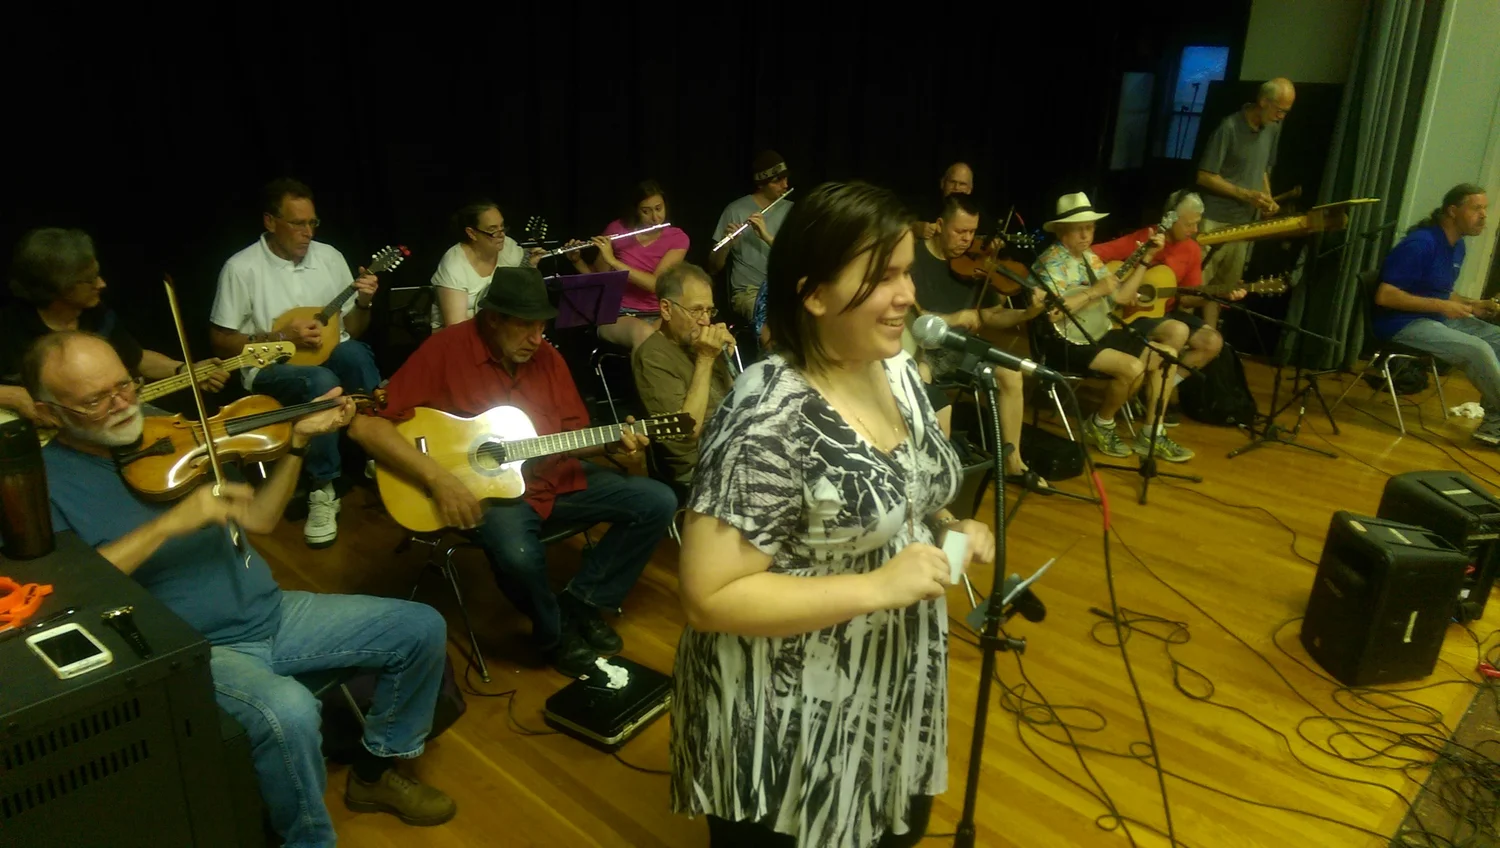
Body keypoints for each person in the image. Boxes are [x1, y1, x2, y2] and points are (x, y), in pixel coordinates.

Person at [26, 330, 455, 847]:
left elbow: (264, 519)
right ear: (50, 413)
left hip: (272, 612)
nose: (124, 404)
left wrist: (297, 441)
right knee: (289, 711)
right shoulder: (41, 485)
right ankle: (309, 841)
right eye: (96, 400)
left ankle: (374, 771)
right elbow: (65, 591)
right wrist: (165, 525)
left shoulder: (173, 434)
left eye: (126, 384)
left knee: (421, 627)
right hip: (200, 647)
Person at [671, 181, 997, 848]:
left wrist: (947, 528)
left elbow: (898, 494)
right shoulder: (768, 414)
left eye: (906, 270)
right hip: (786, 719)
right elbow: (709, 596)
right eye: (882, 276)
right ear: (814, 294)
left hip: (887, 689)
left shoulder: (898, 368)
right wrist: (878, 587)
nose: (907, 294)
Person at [350, 266, 677, 678]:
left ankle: (582, 602)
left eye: (541, 326)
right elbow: (365, 425)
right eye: (524, 327)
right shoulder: (445, 350)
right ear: (492, 319)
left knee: (657, 501)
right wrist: (440, 480)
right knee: (518, 554)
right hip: (484, 493)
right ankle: (554, 634)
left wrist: (615, 441)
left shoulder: (548, 358)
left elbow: (572, 435)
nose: (536, 339)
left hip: (551, 477)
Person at [209, 178, 384, 549]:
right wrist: (281, 337)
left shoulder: (330, 257)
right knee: (320, 381)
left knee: (354, 354)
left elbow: (353, 328)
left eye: (312, 223)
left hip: (328, 353)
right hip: (268, 368)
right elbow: (221, 341)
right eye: (297, 224)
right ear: (270, 222)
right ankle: (323, 487)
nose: (307, 233)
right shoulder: (242, 268)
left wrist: (365, 303)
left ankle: (381, 452)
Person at [0, 228, 228, 424]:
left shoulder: (97, 314)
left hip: (106, 424)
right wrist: (12, 396)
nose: (101, 284)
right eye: (89, 280)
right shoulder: (9, 327)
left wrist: (183, 370)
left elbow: (135, 358)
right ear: (58, 288)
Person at [1031, 192, 1195, 461]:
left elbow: (1118, 296)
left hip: (1098, 331)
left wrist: (1145, 260)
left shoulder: (1090, 258)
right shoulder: (1049, 263)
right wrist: (1094, 291)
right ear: (1062, 231)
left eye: (1090, 227)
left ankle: (1153, 432)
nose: (1086, 235)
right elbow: (1053, 313)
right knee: (1132, 368)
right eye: (1079, 229)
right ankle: (1101, 424)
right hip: (1064, 341)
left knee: (1168, 355)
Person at [908, 193, 1047, 487]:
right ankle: (928, 470)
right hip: (924, 348)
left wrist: (1026, 314)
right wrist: (958, 317)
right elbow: (919, 321)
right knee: (920, 373)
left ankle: (1013, 464)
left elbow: (989, 317)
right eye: (960, 231)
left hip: (961, 350)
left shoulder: (976, 264)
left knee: (1011, 373)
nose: (966, 240)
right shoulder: (914, 258)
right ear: (940, 224)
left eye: (971, 232)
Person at [1091, 190, 1246, 425]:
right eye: (1189, 224)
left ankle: (1152, 393)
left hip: (1165, 310)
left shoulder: (1191, 249)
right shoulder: (1144, 239)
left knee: (1212, 342)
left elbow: (1187, 298)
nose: (1195, 230)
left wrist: (1221, 294)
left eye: (1197, 224)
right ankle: (1143, 399)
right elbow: (1092, 255)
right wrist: (1117, 288)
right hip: (1134, 314)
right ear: (1171, 219)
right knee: (1176, 331)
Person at [1372, 184, 1496, 444]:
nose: (1484, 215)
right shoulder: (1420, 244)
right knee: (1477, 349)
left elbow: (1441, 292)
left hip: (1435, 318)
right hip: (1401, 324)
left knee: (1496, 337)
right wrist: (1442, 306)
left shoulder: (1457, 246)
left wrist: (1474, 304)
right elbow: (1385, 296)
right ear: (1453, 211)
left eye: (1485, 208)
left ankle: (1494, 422)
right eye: (1477, 208)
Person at [631, 263, 735, 488]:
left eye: (709, 310)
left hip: (734, 444)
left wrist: (727, 361)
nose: (705, 320)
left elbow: (741, 405)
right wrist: (706, 359)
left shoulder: (701, 344)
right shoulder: (652, 356)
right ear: (666, 309)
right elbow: (689, 430)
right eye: (696, 310)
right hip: (698, 464)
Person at [1196, 77, 1295, 306]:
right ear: (1263, 101)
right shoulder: (1228, 127)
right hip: (1214, 220)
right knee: (1197, 288)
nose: (1281, 116)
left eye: (1286, 112)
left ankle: (1211, 335)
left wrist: (1266, 199)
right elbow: (1204, 176)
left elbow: (1262, 169)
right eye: (1279, 110)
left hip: (1244, 224)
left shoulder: (1273, 129)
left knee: (1223, 291)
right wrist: (1246, 195)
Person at [566, 180, 689, 350]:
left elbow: (655, 285)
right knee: (644, 334)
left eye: (659, 209)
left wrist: (614, 261)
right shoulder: (616, 229)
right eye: (646, 211)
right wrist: (577, 261)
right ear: (636, 211)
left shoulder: (678, 238)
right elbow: (597, 279)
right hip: (618, 313)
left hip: (658, 313)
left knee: (692, 334)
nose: (655, 218)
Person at [430, 200, 543, 329]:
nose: (501, 236)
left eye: (502, 227)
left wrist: (530, 266)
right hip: (459, 338)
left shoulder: (509, 247)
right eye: (493, 230)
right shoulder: (454, 265)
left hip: (498, 332)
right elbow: (456, 327)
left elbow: (520, 296)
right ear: (472, 233)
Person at [707, 150, 793, 320]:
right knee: (772, 320)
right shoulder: (735, 210)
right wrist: (726, 245)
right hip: (749, 292)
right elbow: (712, 268)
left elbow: (796, 259)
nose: (785, 185)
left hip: (784, 290)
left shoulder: (792, 210)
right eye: (777, 181)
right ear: (761, 184)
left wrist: (766, 237)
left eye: (786, 178)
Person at [912, 161, 974, 240]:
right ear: (942, 183)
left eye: (962, 184)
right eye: (952, 182)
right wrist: (914, 228)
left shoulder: (977, 215)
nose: (956, 188)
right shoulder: (922, 207)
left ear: (970, 189)